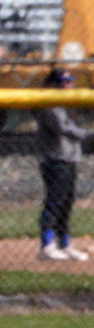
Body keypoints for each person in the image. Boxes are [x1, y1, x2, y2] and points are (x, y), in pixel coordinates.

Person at [35, 68, 93, 261]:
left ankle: (65, 244)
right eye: (64, 81)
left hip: (69, 159)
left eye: (71, 81)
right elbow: (64, 128)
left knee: (66, 203)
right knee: (55, 201)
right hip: (55, 160)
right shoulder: (50, 104)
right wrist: (88, 135)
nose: (69, 85)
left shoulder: (67, 105)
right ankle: (47, 245)